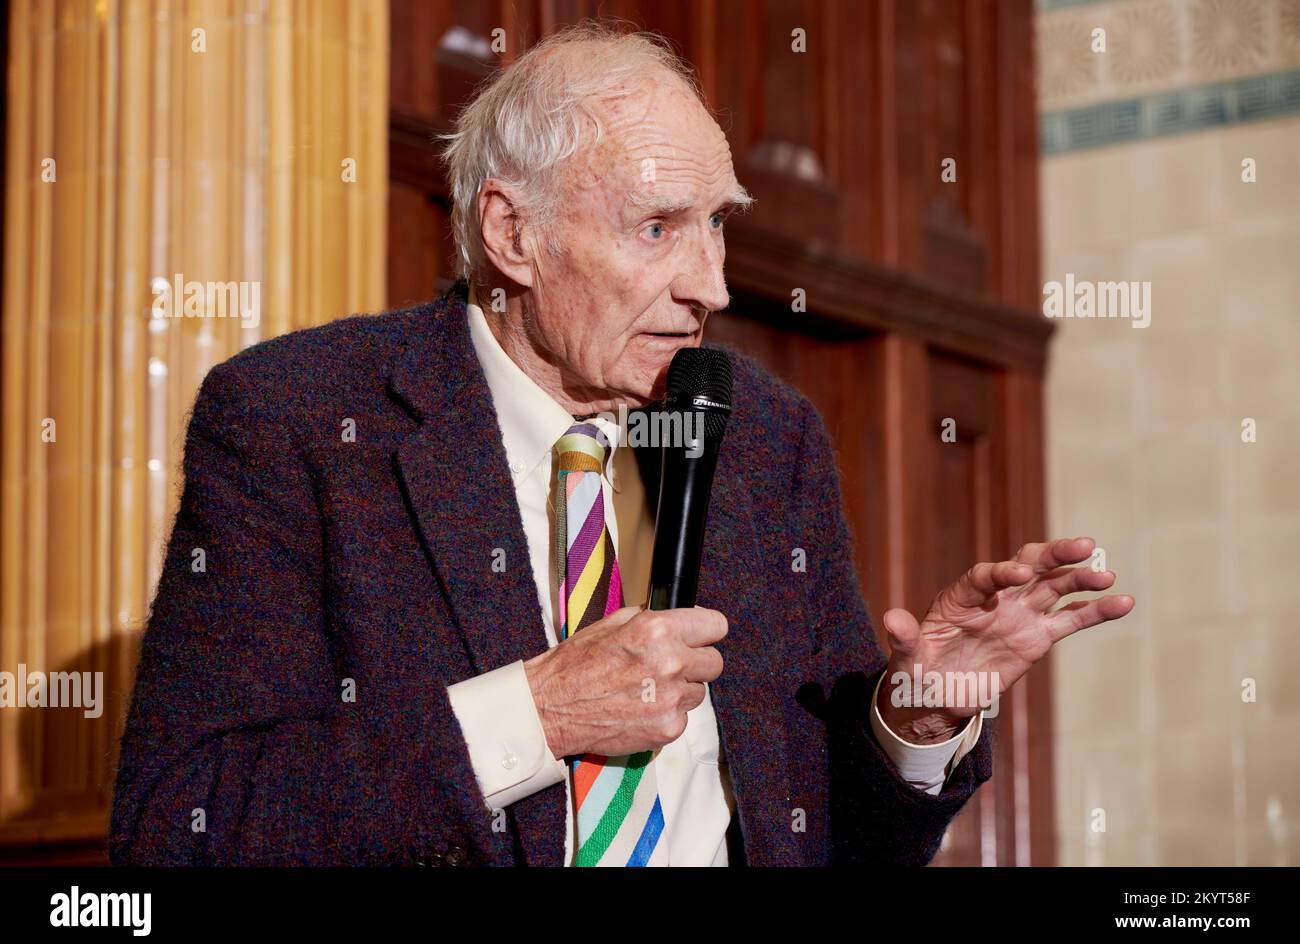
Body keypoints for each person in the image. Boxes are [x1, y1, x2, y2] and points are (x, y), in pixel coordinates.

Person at [109, 22, 1133, 867]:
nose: (711, 284)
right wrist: (536, 712)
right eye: (657, 227)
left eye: (717, 226)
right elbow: (179, 824)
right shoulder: (298, 420)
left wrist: (911, 715)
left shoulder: (766, 438)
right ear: (512, 233)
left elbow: (823, 830)